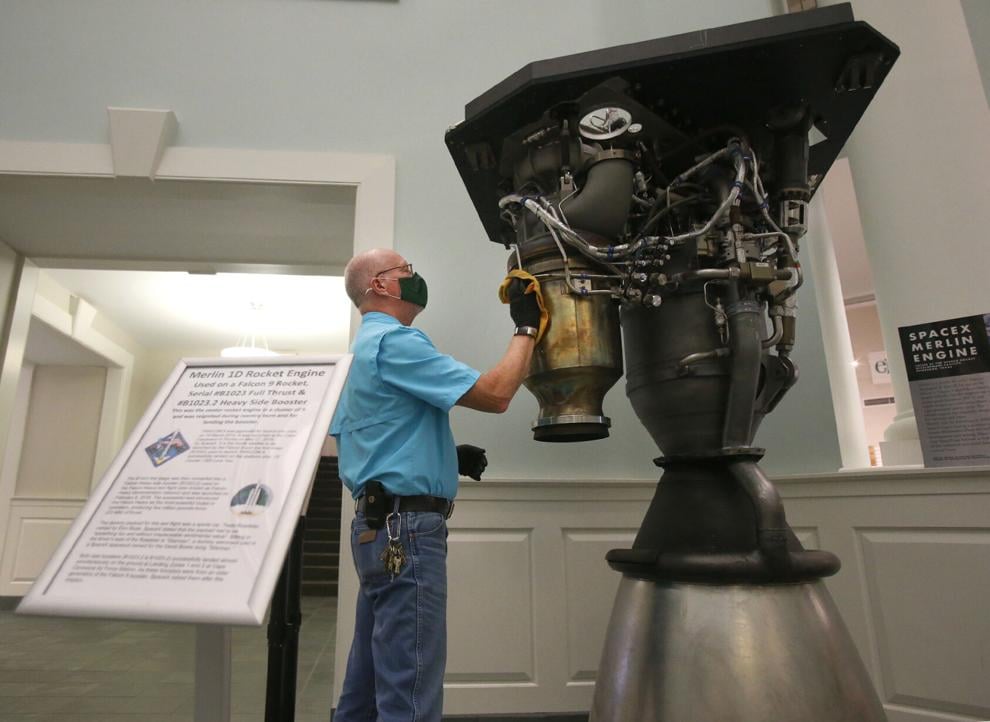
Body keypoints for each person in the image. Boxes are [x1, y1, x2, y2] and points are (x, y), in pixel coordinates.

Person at [329, 248, 544, 722]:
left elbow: (375, 439)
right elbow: (496, 393)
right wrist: (526, 326)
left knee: (364, 690)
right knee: (409, 695)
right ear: (381, 286)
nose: (415, 276)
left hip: (373, 529)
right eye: (406, 270)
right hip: (406, 531)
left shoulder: (358, 356)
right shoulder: (396, 343)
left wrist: (447, 454)